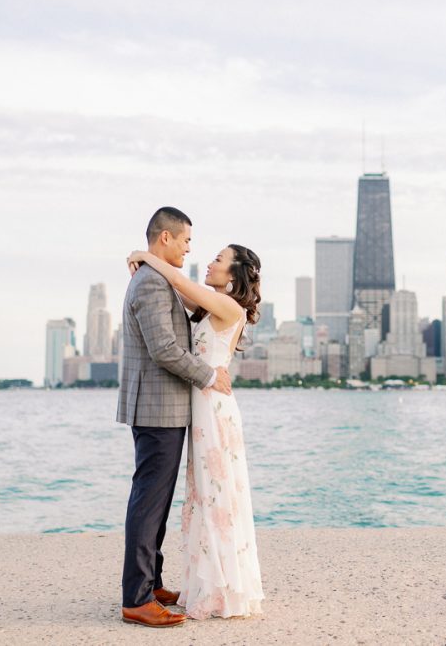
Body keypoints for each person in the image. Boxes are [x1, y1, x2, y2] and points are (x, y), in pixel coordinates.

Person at [127, 240, 265, 620]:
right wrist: (150, 263)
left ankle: (222, 588)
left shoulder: (229, 307)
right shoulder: (208, 306)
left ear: (234, 274)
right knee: (205, 494)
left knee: (218, 496)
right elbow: (174, 293)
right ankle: (205, 581)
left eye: (219, 260)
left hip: (215, 410)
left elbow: (175, 278)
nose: (209, 262)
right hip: (202, 407)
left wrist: (143, 256)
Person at [116, 207, 233, 628]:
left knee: (156, 502)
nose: (189, 248)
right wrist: (208, 377)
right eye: (185, 240)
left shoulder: (157, 277)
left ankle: (151, 583)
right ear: (165, 238)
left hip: (163, 407)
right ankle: (136, 599)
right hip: (156, 409)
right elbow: (164, 349)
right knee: (148, 502)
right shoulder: (150, 282)